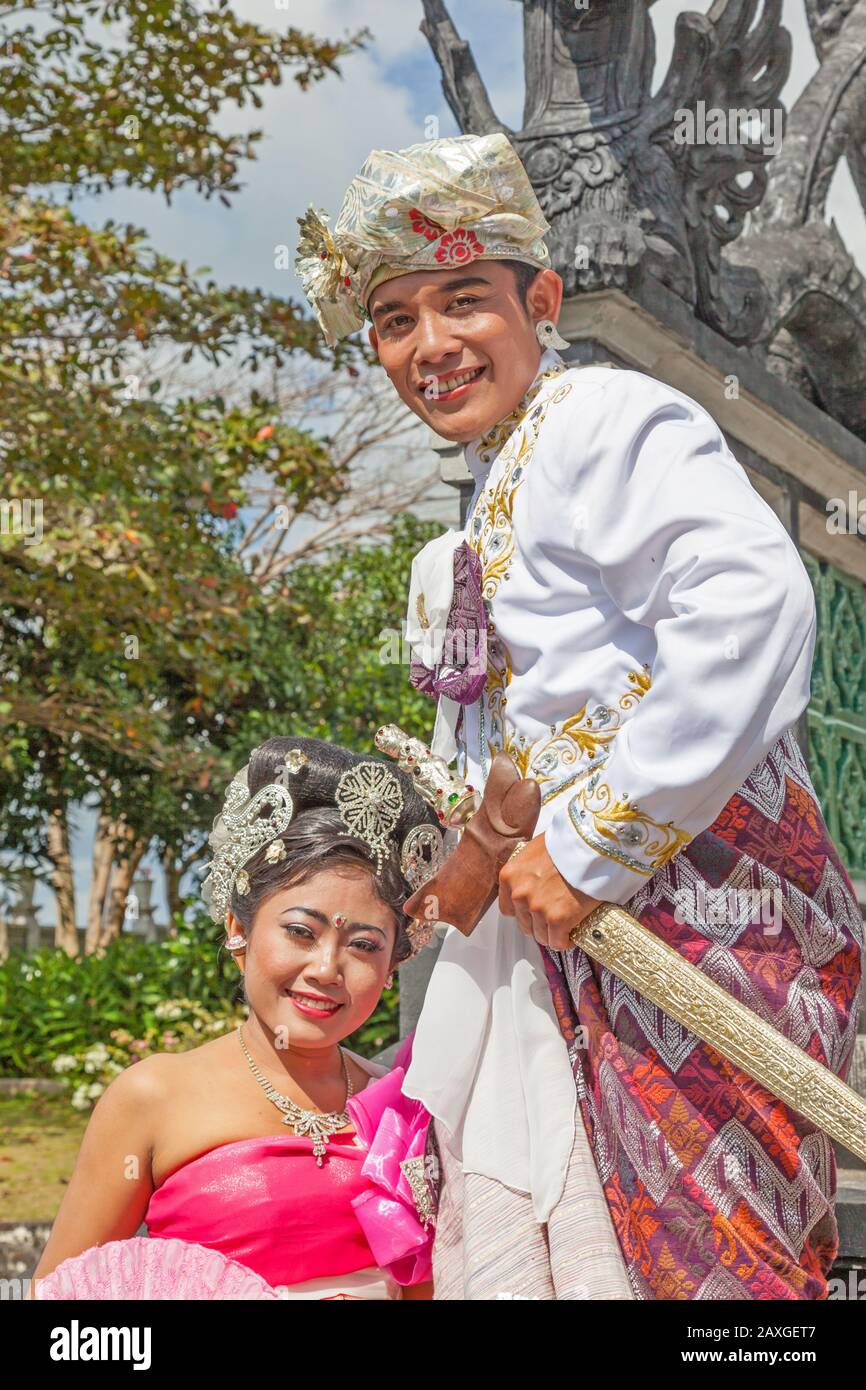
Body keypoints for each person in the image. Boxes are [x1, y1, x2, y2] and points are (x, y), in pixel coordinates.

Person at [295, 131, 864, 1300]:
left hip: (699, 919)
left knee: (718, 1276)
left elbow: (748, 603)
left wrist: (591, 844)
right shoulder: (488, 487)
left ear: (540, 299)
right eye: (395, 321)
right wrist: (481, 855)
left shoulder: (596, 417)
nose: (431, 346)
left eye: (463, 301)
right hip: (566, 944)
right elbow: (535, 739)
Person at [32, 737, 441, 1301]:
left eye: (364, 944)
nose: (326, 968)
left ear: (395, 963)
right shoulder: (153, 1096)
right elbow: (60, 1305)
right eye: (301, 931)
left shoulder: (403, 1109)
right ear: (237, 928)